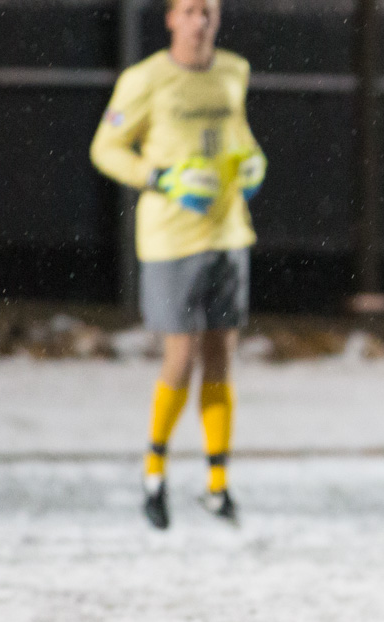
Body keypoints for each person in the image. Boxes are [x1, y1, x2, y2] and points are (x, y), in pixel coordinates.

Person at [89, 0, 265, 529]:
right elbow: (106, 148)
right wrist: (159, 178)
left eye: (208, 11)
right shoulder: (146, 79)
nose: (200, 21)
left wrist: (252, 161)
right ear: (170, 19)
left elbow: (238, 138)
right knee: (180, 356)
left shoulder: (234, 71)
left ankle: (217, 485)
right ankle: (155, 474)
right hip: (171, 239)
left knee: (221, 357)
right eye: (189, 11)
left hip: (228, 233)